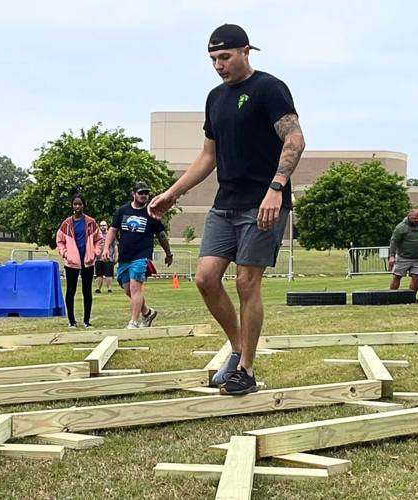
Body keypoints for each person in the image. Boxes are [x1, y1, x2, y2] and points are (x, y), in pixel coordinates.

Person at [148, 24, 305, 395]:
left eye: (225, 57)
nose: (219, 65)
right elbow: (208, 156)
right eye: (213, 59)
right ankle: (237, 350)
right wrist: (172, 193)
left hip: (263, 203)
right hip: (226, 204)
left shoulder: (269, 89)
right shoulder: (215, 98)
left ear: (246, 51)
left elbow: (295, 139)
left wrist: (276, 189)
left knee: (247, 283)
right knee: (205, 278)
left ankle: (246, 371)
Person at [102, 182, 173, 329]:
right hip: (125, 257)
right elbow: (113, 231)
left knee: (135, 287)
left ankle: (133, 322)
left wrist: (168, 253)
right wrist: (105, 249)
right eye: (141, 193)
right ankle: (147, 313)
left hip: (142, 256)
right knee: (128, 290)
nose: (144, 196)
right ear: (133, 194)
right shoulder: (122, 211)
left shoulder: (151, 213)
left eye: (146, 193)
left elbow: (161, 236)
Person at [56, 194, 103, 328]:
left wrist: (95, 253)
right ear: (72, 205)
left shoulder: (90, 222)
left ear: (84, 205)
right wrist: (65, 253)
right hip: (71, 262)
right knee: (71, 291)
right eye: (75, 204)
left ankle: (87, 321)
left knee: (87, 291)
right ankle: (71, 321)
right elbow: (60, 241)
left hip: (87, 261)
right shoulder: (66, 224)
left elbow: (99, 239)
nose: (77, 206)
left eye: (80, 204)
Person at [388, 209, 418, 293]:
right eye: (414, 218)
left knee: (416, 276)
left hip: (417, 258)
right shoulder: (400, 227)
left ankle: (412, 297)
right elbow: (394, 241)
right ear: (409, 217)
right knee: (397, 276)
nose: (416, 220)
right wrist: (392, 256)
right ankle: (391, 295)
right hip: (403, 257)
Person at [94, 220, 117, 294]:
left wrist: (116, 256)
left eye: (104, 225)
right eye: (101, 225)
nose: (102, 227)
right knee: (99, 275)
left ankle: (109, 289)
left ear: (107, 226)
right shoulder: (96, 235)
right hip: (98, 258)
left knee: (109, 275)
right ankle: (98, 289)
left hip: (108, 258)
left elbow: (115, 246)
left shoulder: (111, 235)